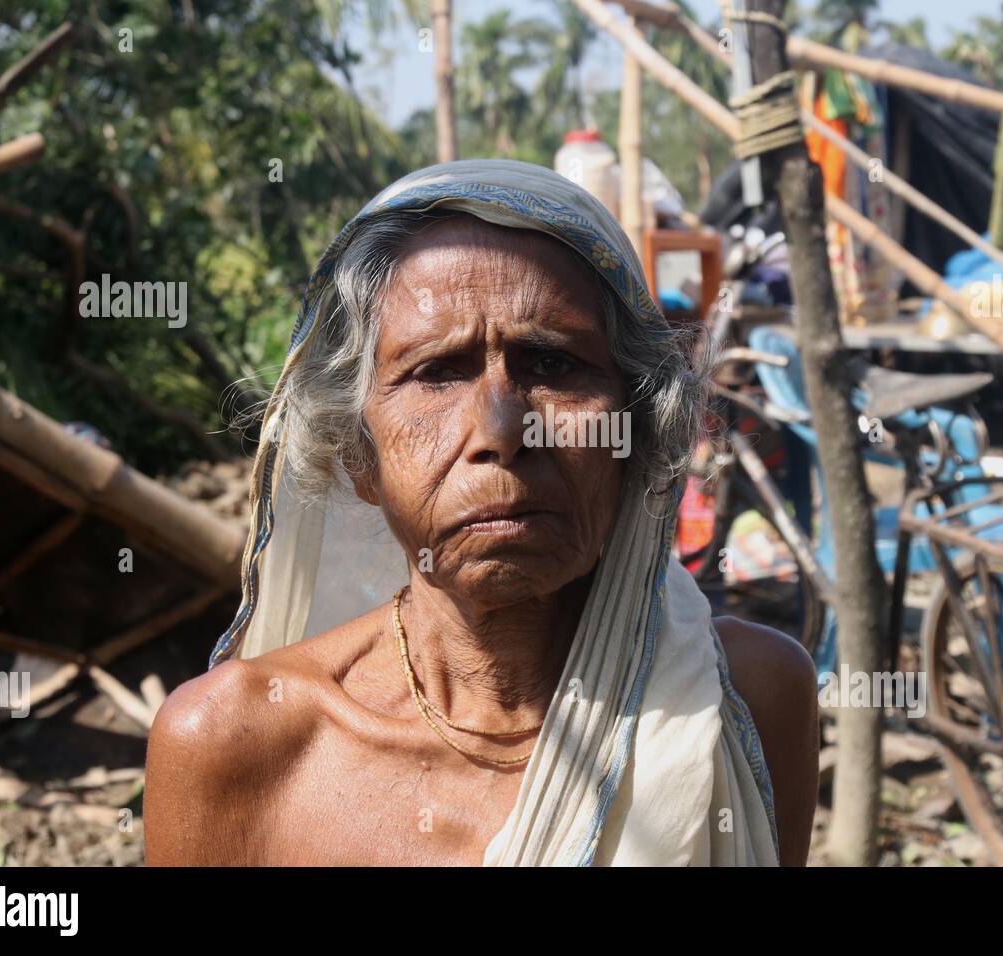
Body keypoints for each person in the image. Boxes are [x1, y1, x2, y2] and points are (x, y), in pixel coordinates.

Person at [143, 159, 817, 866]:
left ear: (640, 431)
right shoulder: (233, 744)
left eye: (552, 366)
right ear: (358, 455)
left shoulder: (743, 700)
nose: (501, 429)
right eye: (436, 371)